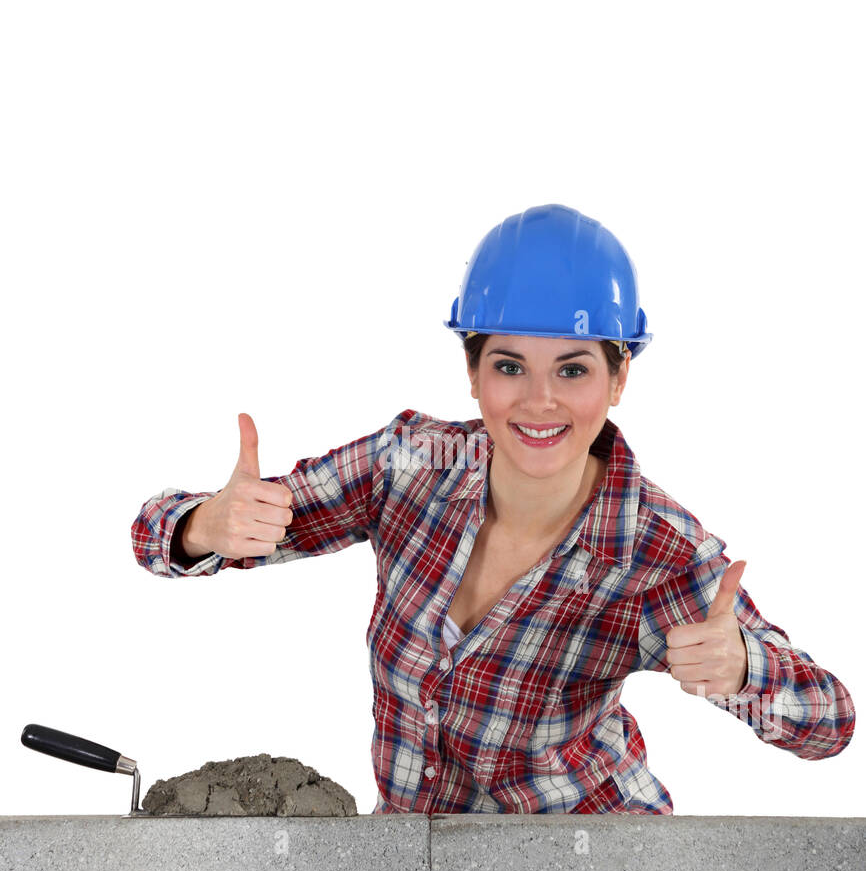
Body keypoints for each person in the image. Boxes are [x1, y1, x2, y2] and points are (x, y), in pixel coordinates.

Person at [131, 203, 855, 814]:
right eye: (509, 366)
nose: (539, 401)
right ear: (473, 374)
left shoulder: (657, 553)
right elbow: (153, 535)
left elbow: (831, 725)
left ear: (619, 376)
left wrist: (741, 672)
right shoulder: (408, 467)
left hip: (586, 869)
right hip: (418, 867)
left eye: (572, 369)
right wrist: (203, 529)